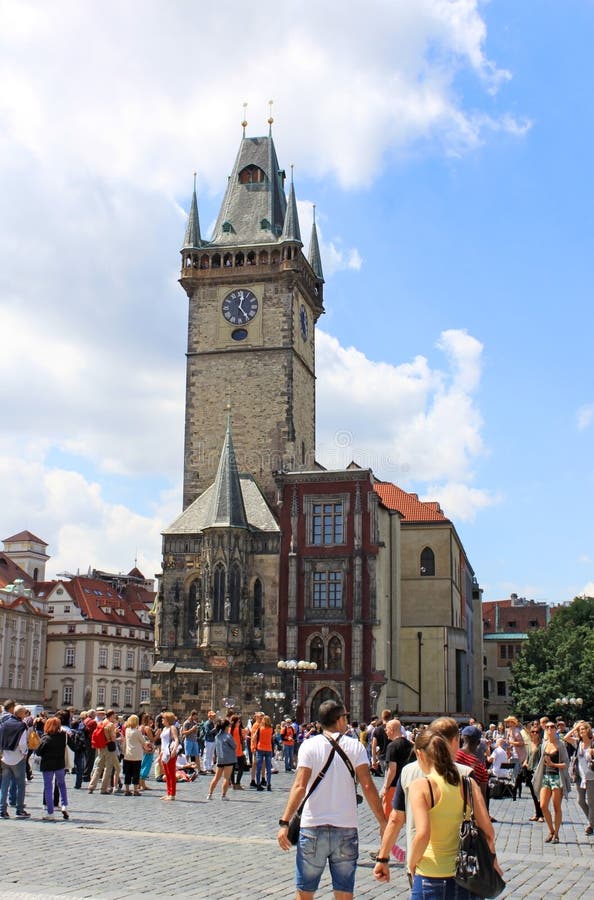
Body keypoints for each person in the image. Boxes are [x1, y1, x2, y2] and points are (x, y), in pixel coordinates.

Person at [277, 699, 386, 900]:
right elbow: (368, 786)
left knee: (304, 893)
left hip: (312, 827)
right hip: (345, 828)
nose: (347, 720)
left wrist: (285, 822)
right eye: (345, 716)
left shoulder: (309, 746)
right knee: (344, 894)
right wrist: (382, 821)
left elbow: (300, 786)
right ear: (339, 720)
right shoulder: (355, 747)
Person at [401, 729, 501, 898]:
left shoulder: (420, 787)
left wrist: (411, 863)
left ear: (420, 754)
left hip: (431, 873)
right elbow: (489, 833)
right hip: (466, 876)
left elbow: (423, 834)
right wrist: (493, 860)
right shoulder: (469, 784)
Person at [373, 716, 475, 882]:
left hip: (422, 864)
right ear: (455, 741)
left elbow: (396, 819)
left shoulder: (408, 771)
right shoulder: (466, 774)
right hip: (463, 864)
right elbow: (485, 828)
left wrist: (383, 857)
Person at [532, 720, 571, 843]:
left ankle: (557, 834)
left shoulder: (561, 745)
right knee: (543, 806)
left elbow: (566, 763)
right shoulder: (544, 744)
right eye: (547, 727)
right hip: (546, 777)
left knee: (556, 806)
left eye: (551, 727)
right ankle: (551, 830)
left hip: (556, 778)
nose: (549, 729)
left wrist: (553, 764)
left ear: (555, 730)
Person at [0, 704, 30, 819]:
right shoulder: (21, 725)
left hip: (5, 757)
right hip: (17, 758)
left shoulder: (4, 723)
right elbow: (22, 743)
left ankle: (2, 810)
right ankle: (20, 810)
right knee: (20, 785)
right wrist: (25, 752)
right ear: (21, 714)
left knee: (4, 785)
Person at [564, 720, 594, 835]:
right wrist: (575, 727)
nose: (581, 731)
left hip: (592, 776)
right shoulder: (578, 743)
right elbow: (566, 737)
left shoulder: (592, 742)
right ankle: (592, 822)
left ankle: (590, 826)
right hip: (580, 776)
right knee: (580, 801)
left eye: (583, 729)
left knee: (591, 803)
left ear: (588, 730)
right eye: (579, 730)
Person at [37, 715, 69, 821]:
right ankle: (64, 804)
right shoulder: (63, 736)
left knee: (48, 787)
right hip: (60, 763)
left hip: (48, 765)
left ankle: (50, 812)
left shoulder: (45, 737)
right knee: (62, 784)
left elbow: (38, 752)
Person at [206, 719, 236, 800]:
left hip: (220, 759)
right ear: (226, 727)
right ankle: (223, 795)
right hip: (229, 759)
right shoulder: (228, 736)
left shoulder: (217, 736)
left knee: (216, 778)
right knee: (226, 778)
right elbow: (234, 746)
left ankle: (210, 794)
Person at [123, 715, 148, 795]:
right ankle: (135, 790)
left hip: (128, 754)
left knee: (128, 773)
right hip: (137, 755)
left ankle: (127, 789)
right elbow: (143, 742)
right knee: (135, 773)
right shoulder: (137, 732)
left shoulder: (127, 730)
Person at [159, 711, 180, 801]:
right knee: (166, 773)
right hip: (164, 752)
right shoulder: (164, 729)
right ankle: (168, 793)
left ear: (167, 719)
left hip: (170, 752)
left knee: (171, 773)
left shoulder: (172, 728)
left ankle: (172, 794)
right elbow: (163, 742)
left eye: (163, 718)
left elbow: (176, 740)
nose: (162, 720)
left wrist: (174, 750)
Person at [255, 714, 274, 792]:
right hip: (268, 749)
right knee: (268, 768)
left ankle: (258, 784)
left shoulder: (260, 729)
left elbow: (254, 737)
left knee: (259, 768)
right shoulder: (271, 729)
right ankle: (268, 784)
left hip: (260, 748)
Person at [139, 713, 155, 791]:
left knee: (142, 765)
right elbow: (152, 739)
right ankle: (143, 784)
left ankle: (139, 784)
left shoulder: (141, 727)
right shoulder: (147, 728)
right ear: (148, 720)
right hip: (149, 749)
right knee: (146, 765)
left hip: (142, 748)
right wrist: (158, 734)